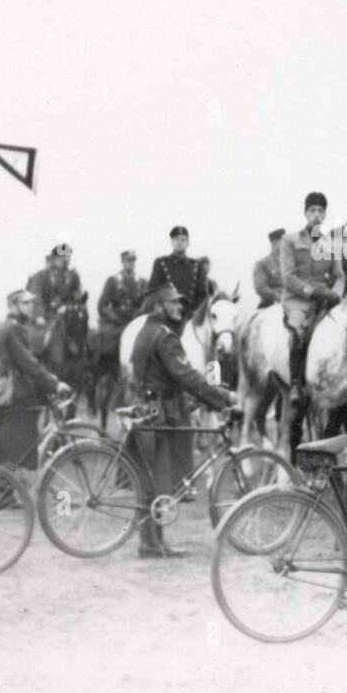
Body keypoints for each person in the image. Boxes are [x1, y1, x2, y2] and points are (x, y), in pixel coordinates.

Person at [130, 275, 238, 557]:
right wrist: (223, 397)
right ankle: (152, 543)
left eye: (179, 303)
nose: (180, 307)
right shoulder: (166, 337)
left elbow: (159, 375)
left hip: (146, 409)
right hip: (161, 414)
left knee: (151, 479)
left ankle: (150, 542)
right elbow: (188, 376)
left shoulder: (145, 331)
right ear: (159, 306)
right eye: (173, 303)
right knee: (160, 478)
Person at [0, 289, 72, 471]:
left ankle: (9, 484)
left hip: (12, 390)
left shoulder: (9, 325)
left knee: (12, 451)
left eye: (31, 302)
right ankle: (14, 483)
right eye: (25, 303)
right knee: (20, 449)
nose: (31, 306)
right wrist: (54, 384)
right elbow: (28, 363)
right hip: (17, 393)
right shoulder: (14, 328)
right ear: (13, 306)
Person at [280, 192, 345, 410]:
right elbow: (288, 277)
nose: (316, 215)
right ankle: (296, 384)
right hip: (298, 300)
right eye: (312, 211)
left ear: (325, 215)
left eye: (320, 211)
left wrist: (336, 294)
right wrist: (310, 292)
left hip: (325, 299)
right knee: (299, 332)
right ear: (305, 213)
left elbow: (340, 276)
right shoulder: (290, 241)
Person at [150, 227, 207, 333]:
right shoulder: (161, 263)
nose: (180, 242)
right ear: (171, 241)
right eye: (176, 239)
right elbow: (153, 291)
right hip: (166, 317)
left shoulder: (196, 265)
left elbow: (202, 294)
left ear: (188, 243)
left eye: (183, 239)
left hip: (190, 318)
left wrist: (195, 313)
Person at [97, 250, 147, 348]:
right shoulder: (113, 281)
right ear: (123, 262)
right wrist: (115, 317)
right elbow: (102, 306)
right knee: (111, 347)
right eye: (128, 260)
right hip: (118, 323)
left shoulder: (142, 282)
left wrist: (140, 313)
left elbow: (147, 303)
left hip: (136, 321)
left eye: (133, 260)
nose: (131, 263)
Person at [28, 244, 83, 322]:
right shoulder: (41, 276)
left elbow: (77, 296)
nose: (66, 260)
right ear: (55, 258)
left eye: (68, 257)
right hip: (47, 316)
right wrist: (39, 316)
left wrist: (72, 306)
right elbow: (36, 296)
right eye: (62, 257)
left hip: (67, 316)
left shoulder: (73, 276)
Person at [253, 229, 286, 308]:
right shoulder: (261, 264)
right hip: (272, 305)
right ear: (274, 243)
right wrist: (278, 296)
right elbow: (261, 288)